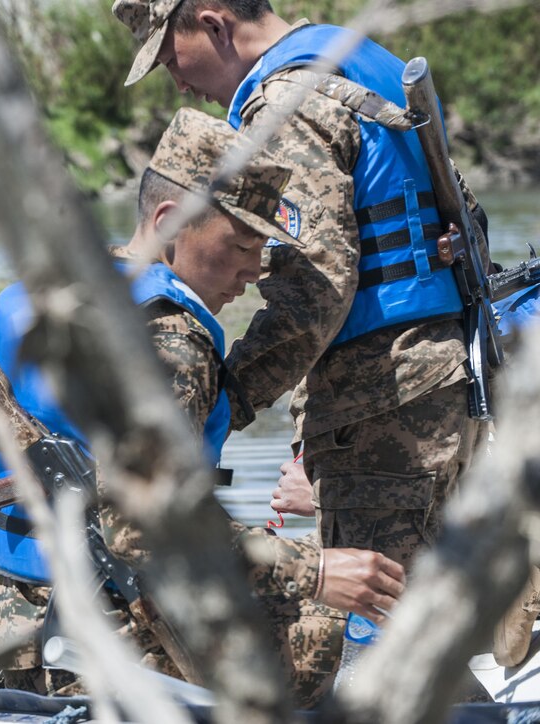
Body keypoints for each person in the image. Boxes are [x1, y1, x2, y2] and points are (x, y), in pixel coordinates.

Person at [0, 108, 404, 707]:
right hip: (109, 638)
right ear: (170, 221)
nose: (254, 273)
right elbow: (143, 532)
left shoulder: (42, 291)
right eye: (240, 244)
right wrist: (316, 571)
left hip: (15, 621)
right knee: (373, 635)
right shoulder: (172, 337)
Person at [114, 0, 491, 573]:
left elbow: (315, 285)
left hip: (381, 401)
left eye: (171, 59)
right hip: (446, 373)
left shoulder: (283, 103)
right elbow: (462, 223)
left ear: (213, 24)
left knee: (380, 636)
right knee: (419, 618)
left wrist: (222, 400)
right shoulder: (365, 60)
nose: (181, 86)